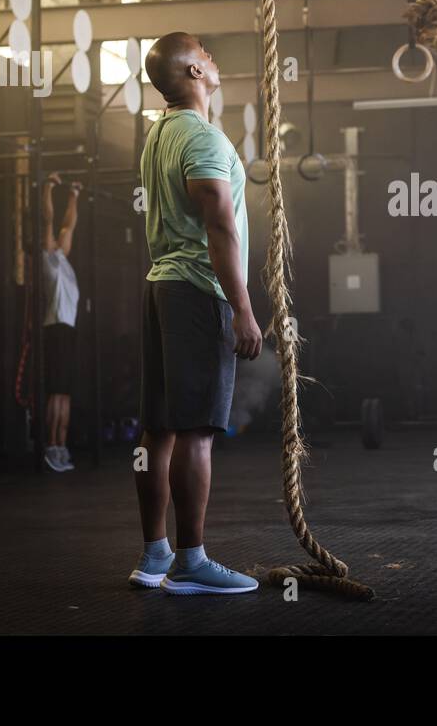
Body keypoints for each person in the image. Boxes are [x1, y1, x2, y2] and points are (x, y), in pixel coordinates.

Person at [128, 31, 264, 596]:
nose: (212, 57)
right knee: (197, 433)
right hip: (197, 291)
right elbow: (219, 226)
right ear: (191, 73)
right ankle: (191, 563)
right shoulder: (202, 138)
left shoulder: (160, 134)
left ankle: (155, 554)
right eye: (204, 53)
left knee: (157, 430)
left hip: (162, 288)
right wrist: (243, 308)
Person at [41, 172, 81, 474]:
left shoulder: (65, 262)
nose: (62, 235)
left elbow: (69, 224)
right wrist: (48, 188)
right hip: (55, 330)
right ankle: (51, 446)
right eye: (57, 236)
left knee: (66, 393)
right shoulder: (49, 259)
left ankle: (62, 447)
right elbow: (48, 220)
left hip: (67, 332)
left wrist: (73, 196)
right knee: (56, 393)